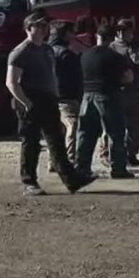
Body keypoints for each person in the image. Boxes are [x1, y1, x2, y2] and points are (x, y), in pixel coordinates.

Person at [5, 12, 85, 195]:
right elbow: (11, 82)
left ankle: (71, 180)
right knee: (31, 142)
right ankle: (29, 182)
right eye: (39, 26)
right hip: (30, 99)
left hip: (48, 99)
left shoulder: (47, 49)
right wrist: (26, 103)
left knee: (56, 140)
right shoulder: (20, 52)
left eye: (45, 26)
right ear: (29, 28)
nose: (43, 29)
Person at [74, 23, 136, 181]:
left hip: (87, 96)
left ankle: (81, 168)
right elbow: (128, 77)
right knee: (115, 132)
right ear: (112, 38)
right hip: (108, 96)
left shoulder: (85, 55)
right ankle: (118, 168)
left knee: (85, 133)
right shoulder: (115, 57)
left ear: (97, 36)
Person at [104, 18, 139, 167]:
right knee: (115, 126)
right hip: (119, 92)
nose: (121, 34)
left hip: (137, 93)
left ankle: (131, 153)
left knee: (136, 126)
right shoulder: (111, 48)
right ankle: (111, 154)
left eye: (125, 31)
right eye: (119, 31)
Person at [47, 21, 84, 175]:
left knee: (56, 129)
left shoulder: (45, 51)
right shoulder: (66, 54)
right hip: (67, 96)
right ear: (64, 34)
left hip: (49, 95)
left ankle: (53, 160)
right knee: (72, 126)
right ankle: (68, 161)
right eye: (71, 32)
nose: (74, 35)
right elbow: (76, 77)